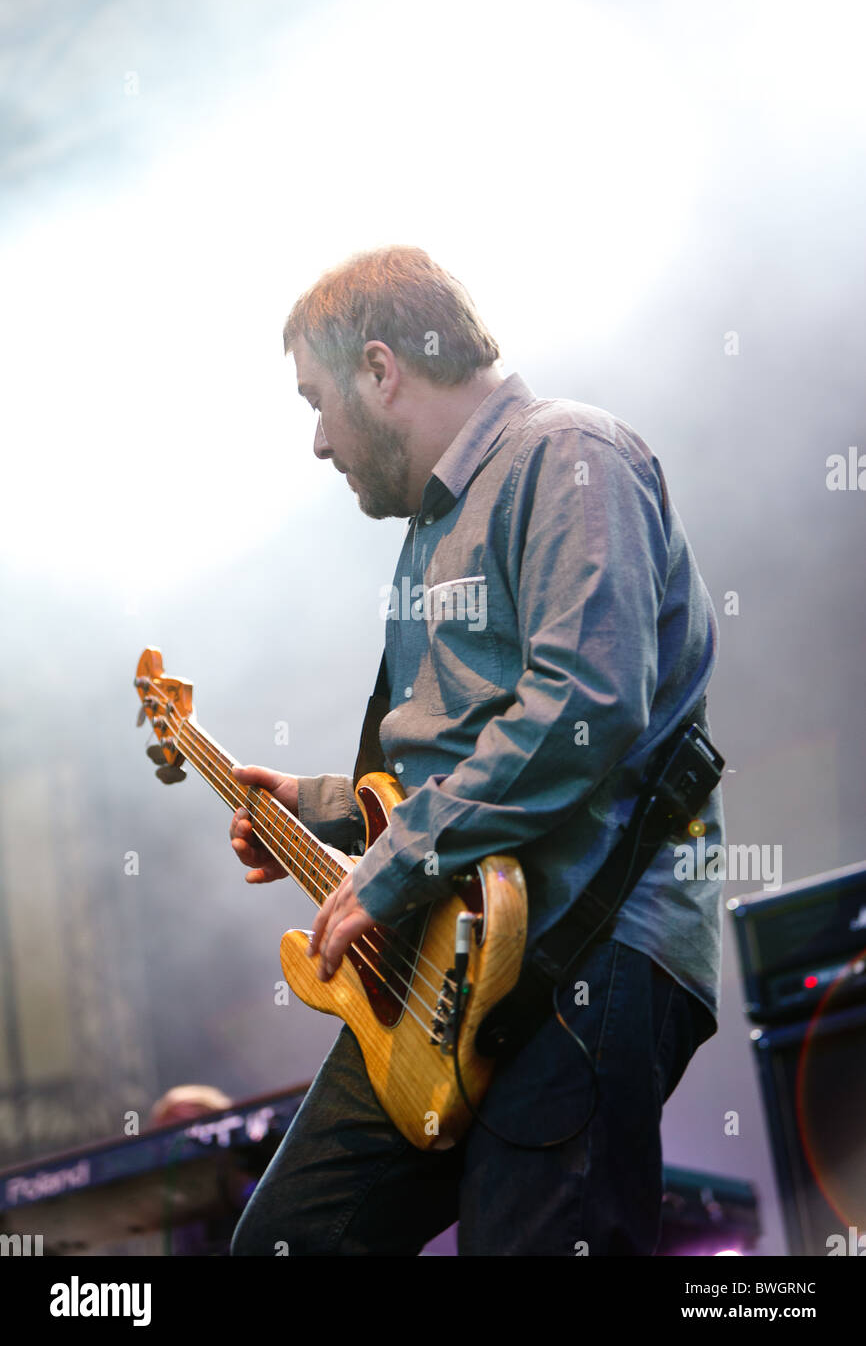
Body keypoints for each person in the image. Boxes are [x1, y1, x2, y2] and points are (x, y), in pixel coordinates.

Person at [228, 245, 724, 1256]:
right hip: (449, 970)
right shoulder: (427, 533)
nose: (319, 442)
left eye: (317, 401)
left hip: (592, 947)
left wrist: (394, 865)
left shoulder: (570, 454)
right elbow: (449, 757)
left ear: (381, 368)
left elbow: (583, 707)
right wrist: (320, 806)